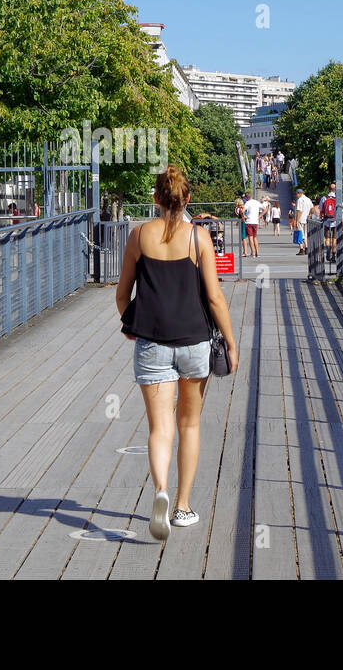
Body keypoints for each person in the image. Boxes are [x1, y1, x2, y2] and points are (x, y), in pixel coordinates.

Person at [116, 166, 238, 542]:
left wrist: (135, 325)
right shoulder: (198, 238)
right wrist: (231, 343)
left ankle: (160, 493)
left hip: (152, 343)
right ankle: (183, 506)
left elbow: (122, 295)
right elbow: (215, 298)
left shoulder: (138, 236)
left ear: (155, 199)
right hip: (194, 342)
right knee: (189, 424)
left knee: (159, 428)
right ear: (187, 200)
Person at [319, 182, 340, 255]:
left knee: (327, 237)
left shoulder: (324, 198)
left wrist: (321, 218)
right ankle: (334, 255)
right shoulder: (338, 198)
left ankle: (328, 249)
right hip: (335, 220)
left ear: (328, 189)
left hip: (326, 220)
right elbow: (341, 212)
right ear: (335, 190)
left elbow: (321, 210)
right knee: (334, 238)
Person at [242, 193, 264, 258]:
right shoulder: (256, 202)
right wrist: (259, 216)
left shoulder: (248, 203)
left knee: (250, 238)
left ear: (246, 197)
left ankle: (253, 253)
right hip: (255, 221)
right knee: (255, 237)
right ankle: (257, 252)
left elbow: (242, 210)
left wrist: (244, 216)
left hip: (249, 221)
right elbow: (265, 209)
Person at [294, 187, 313, 255]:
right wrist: (309, 214)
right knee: (305, 234)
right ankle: (307, 248)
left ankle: (301, 249)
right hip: (306, 219)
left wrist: (296, 221)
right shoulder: (308, 199)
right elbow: (312, 208)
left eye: (296, 194)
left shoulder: (299, 200)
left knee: (300, 234)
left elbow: (299, 211)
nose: (296, 195)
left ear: (299, 193)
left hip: (301, 219)